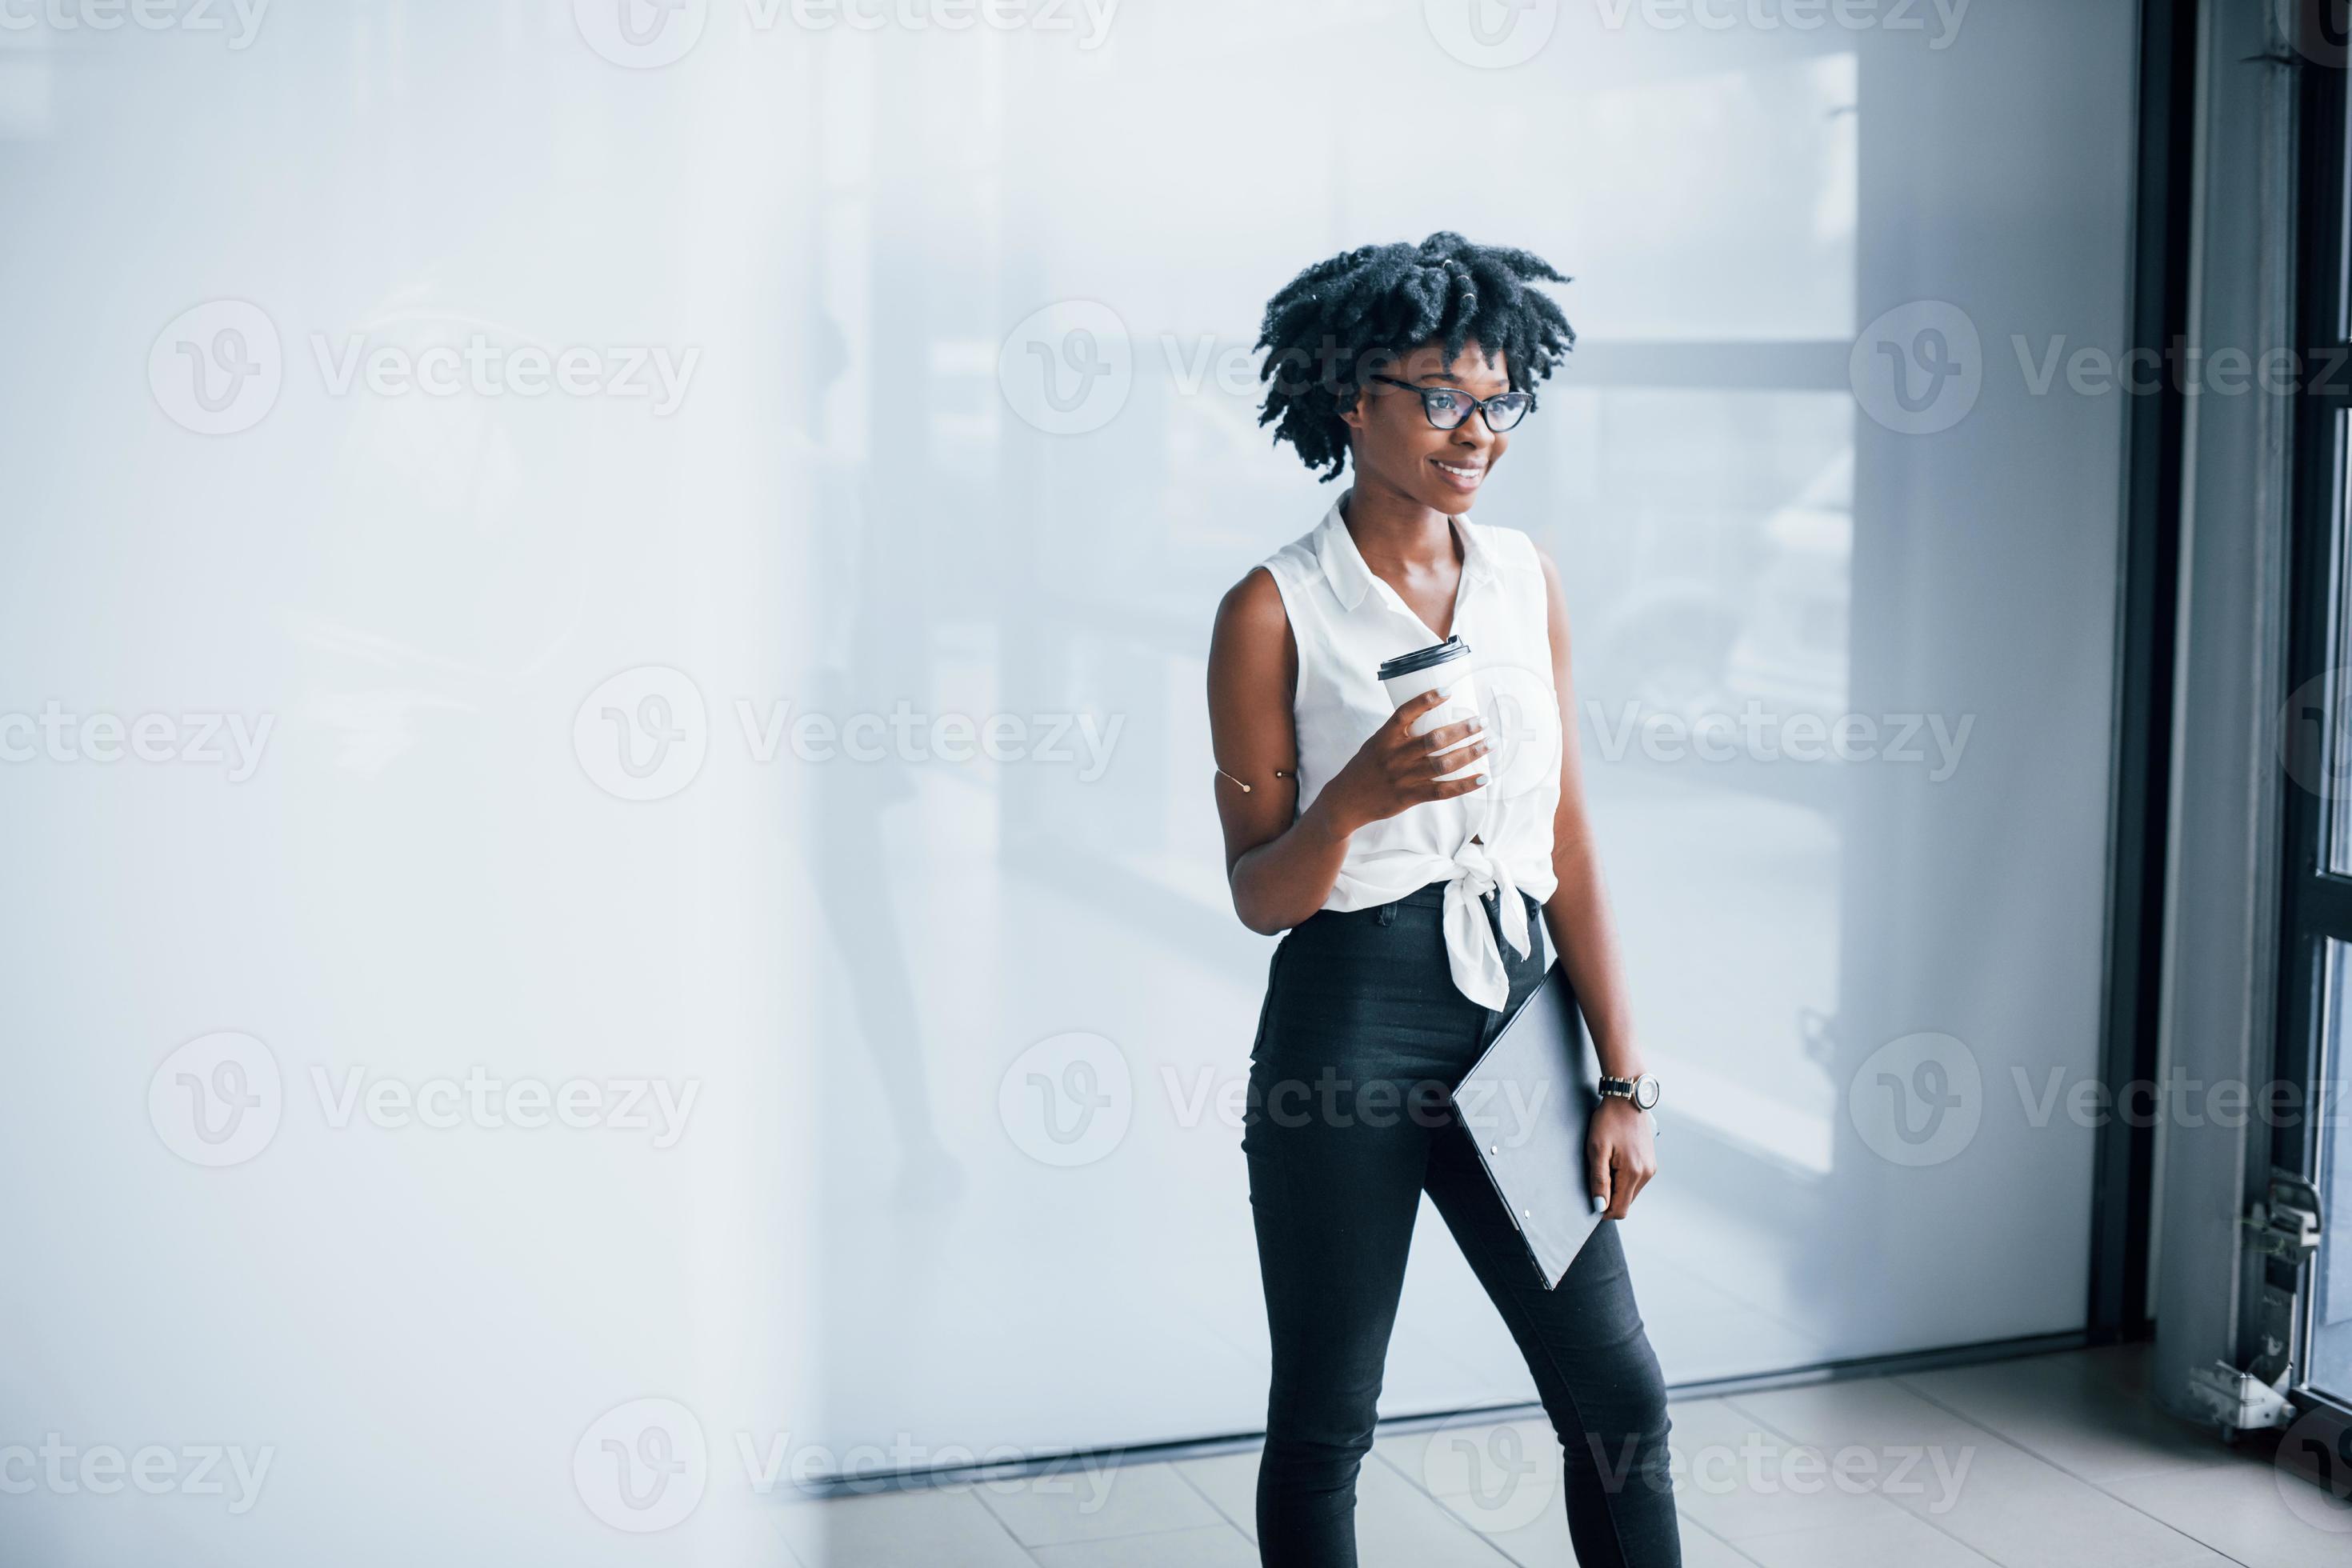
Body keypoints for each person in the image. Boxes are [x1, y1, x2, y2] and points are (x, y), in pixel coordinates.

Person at [1205, 231, 1681, 1566]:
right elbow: (1260, 896)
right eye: (1441, 398)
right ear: (1353, 398)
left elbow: (1567, 838)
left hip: (1514, 1008)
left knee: (1620, 1401)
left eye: (1498, 400)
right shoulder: (1270, 610)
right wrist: (1355, 795)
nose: (1478, 433)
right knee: (1324, 1428)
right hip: (1346, 1026)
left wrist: (1624, 1079)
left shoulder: (1526, 577)